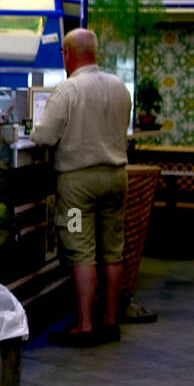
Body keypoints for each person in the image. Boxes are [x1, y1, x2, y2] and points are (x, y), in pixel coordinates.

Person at [30, 29, 133, 346]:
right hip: (116, 177)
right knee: (113, 251)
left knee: (82, 251)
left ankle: (85, 326)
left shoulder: (67, 90)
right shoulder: (119, 87)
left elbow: (44, 137)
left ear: (67, 53)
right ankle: (110, 321)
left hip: (79, 183)